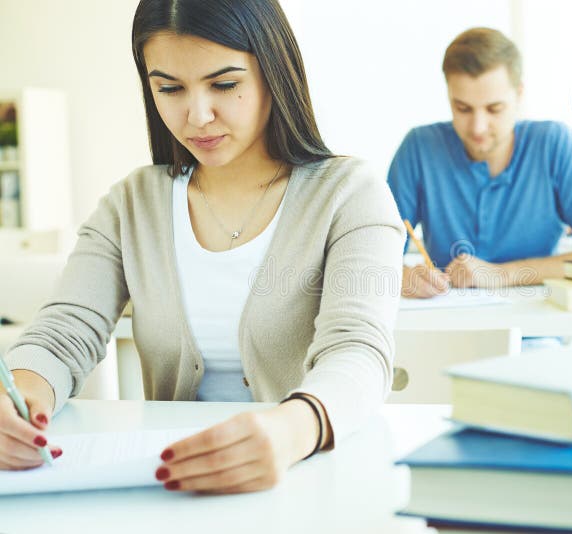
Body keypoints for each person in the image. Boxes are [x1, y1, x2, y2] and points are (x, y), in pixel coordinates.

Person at [0, 0, 404, 493]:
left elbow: (358, 353)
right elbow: (63, 334)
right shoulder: (133, 203)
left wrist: (290, 428)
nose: (197, 115)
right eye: (169, 88)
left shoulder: (350, 193)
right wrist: (18, 397)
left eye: (224, 85)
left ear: (274, 72)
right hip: (174, 486)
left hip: (309, 477)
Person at [387, 28, 572, 299]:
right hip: (445, 328)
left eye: (494, 109)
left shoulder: (553, 144)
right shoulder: (419, 147)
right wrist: (403, 276)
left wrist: (502, 273)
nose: (478, 127)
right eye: (462, 108)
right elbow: (371, 254)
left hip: (534, 332)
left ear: (519, 94)